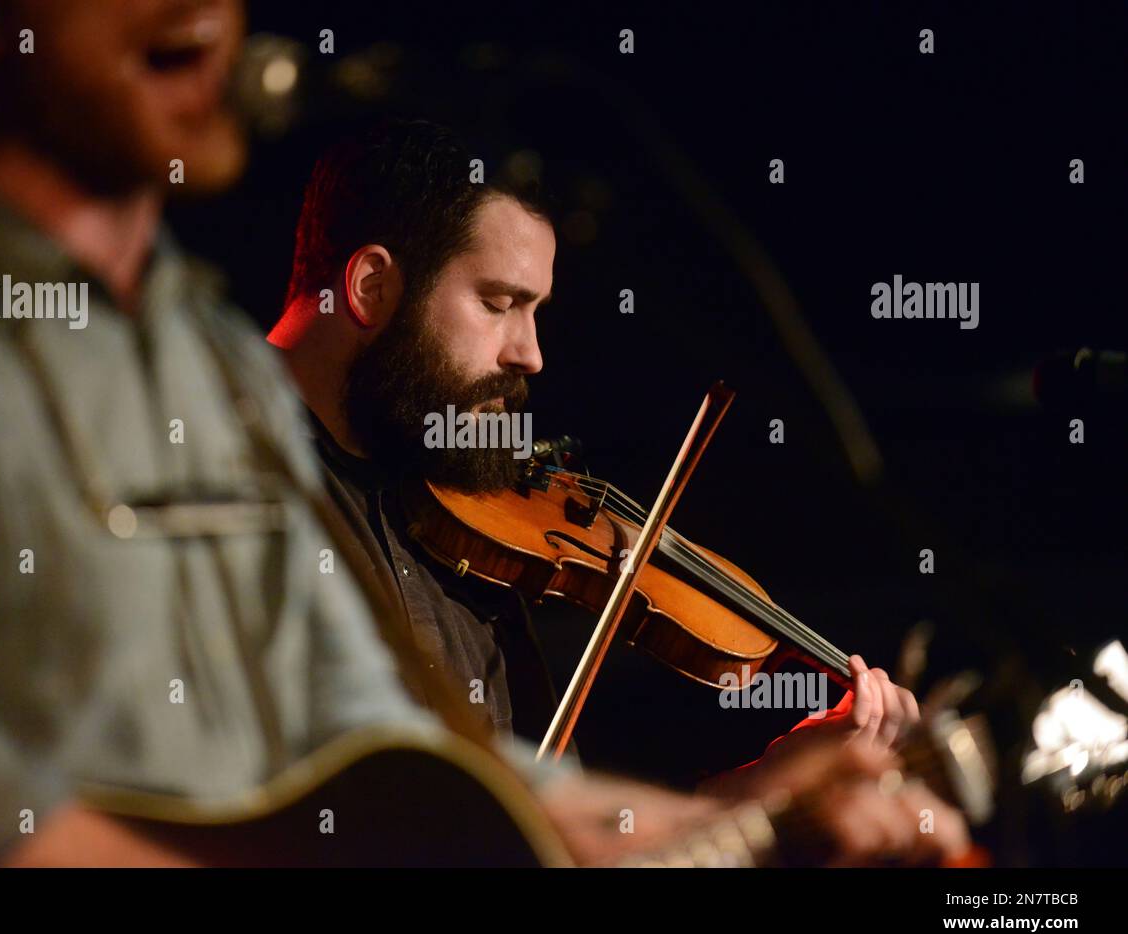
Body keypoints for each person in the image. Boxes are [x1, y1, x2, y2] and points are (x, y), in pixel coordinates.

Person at [0, 0, 963, 866]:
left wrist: (738, 811)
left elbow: (390, 748)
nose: (208, 13)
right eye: (501, 305)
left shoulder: (212, 363)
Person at [267, 119, 924, 768]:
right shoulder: (222, 486)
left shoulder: (466, 535)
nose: (530, 354)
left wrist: (780, 788)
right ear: (371, 287)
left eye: (536, 311)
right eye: (499, 303)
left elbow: (551, 838)